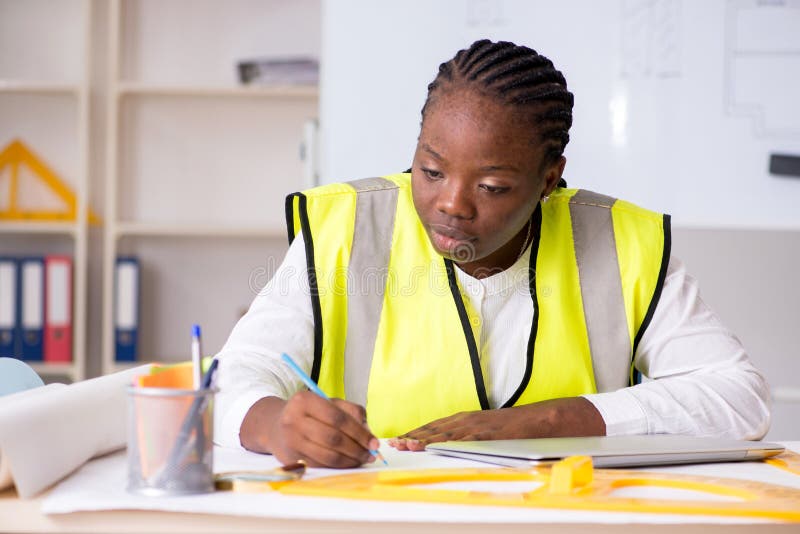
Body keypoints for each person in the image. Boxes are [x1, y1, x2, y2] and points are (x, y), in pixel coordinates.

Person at [214, 40, 770, 468]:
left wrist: (554, 420)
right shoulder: (346, 228)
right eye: (430, 171)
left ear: (549, 179)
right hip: (382, 513)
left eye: (493, 187)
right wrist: (275, 425)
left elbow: (739, 398)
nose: (451, 204)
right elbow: (234, 378)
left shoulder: (623, 243)